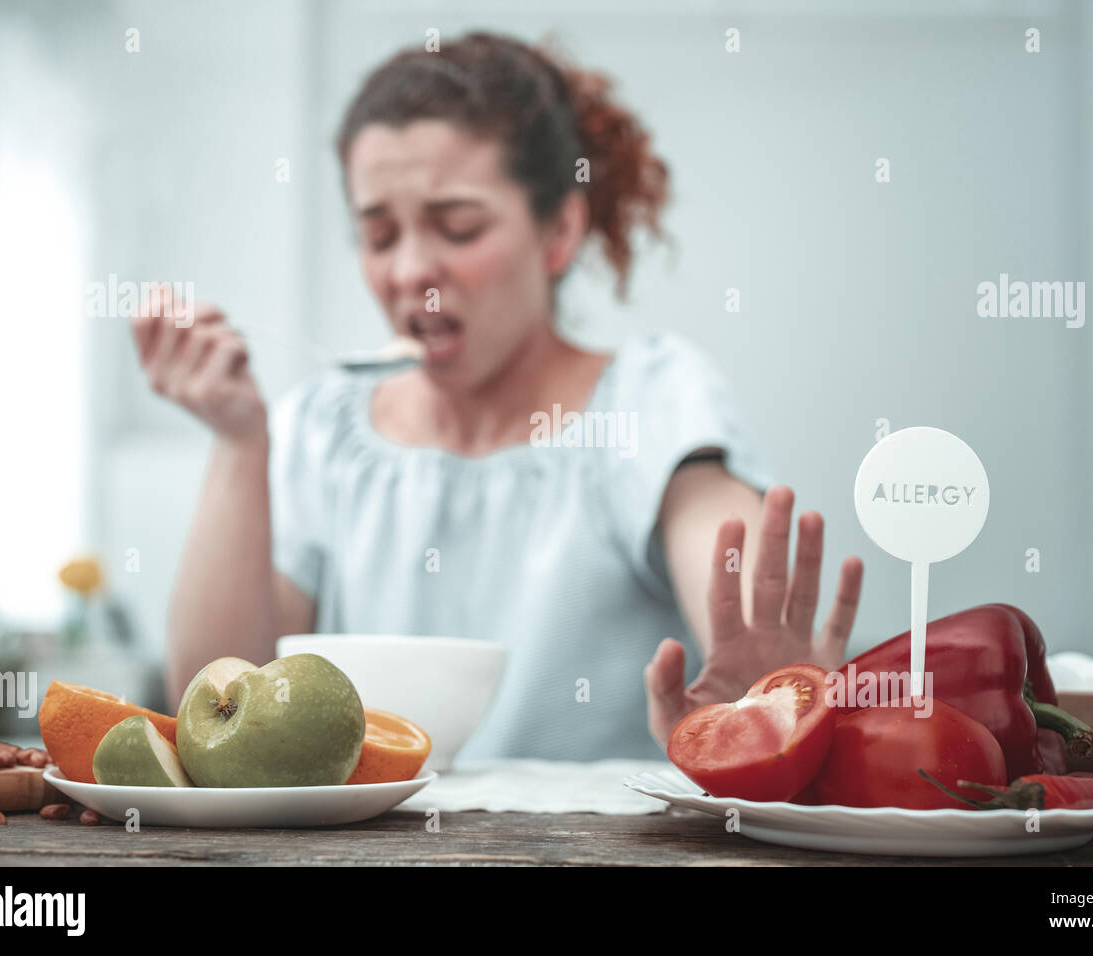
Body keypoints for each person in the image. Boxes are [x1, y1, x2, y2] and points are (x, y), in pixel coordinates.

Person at [130, 32, 864, 762]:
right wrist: (236, 440)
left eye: (459, 227)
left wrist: (763, 678)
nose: (412, 269)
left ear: (560, 229)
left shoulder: (650, 397)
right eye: (380, 236)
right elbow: (217, 710)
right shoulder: (318, 431)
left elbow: (717, 540)